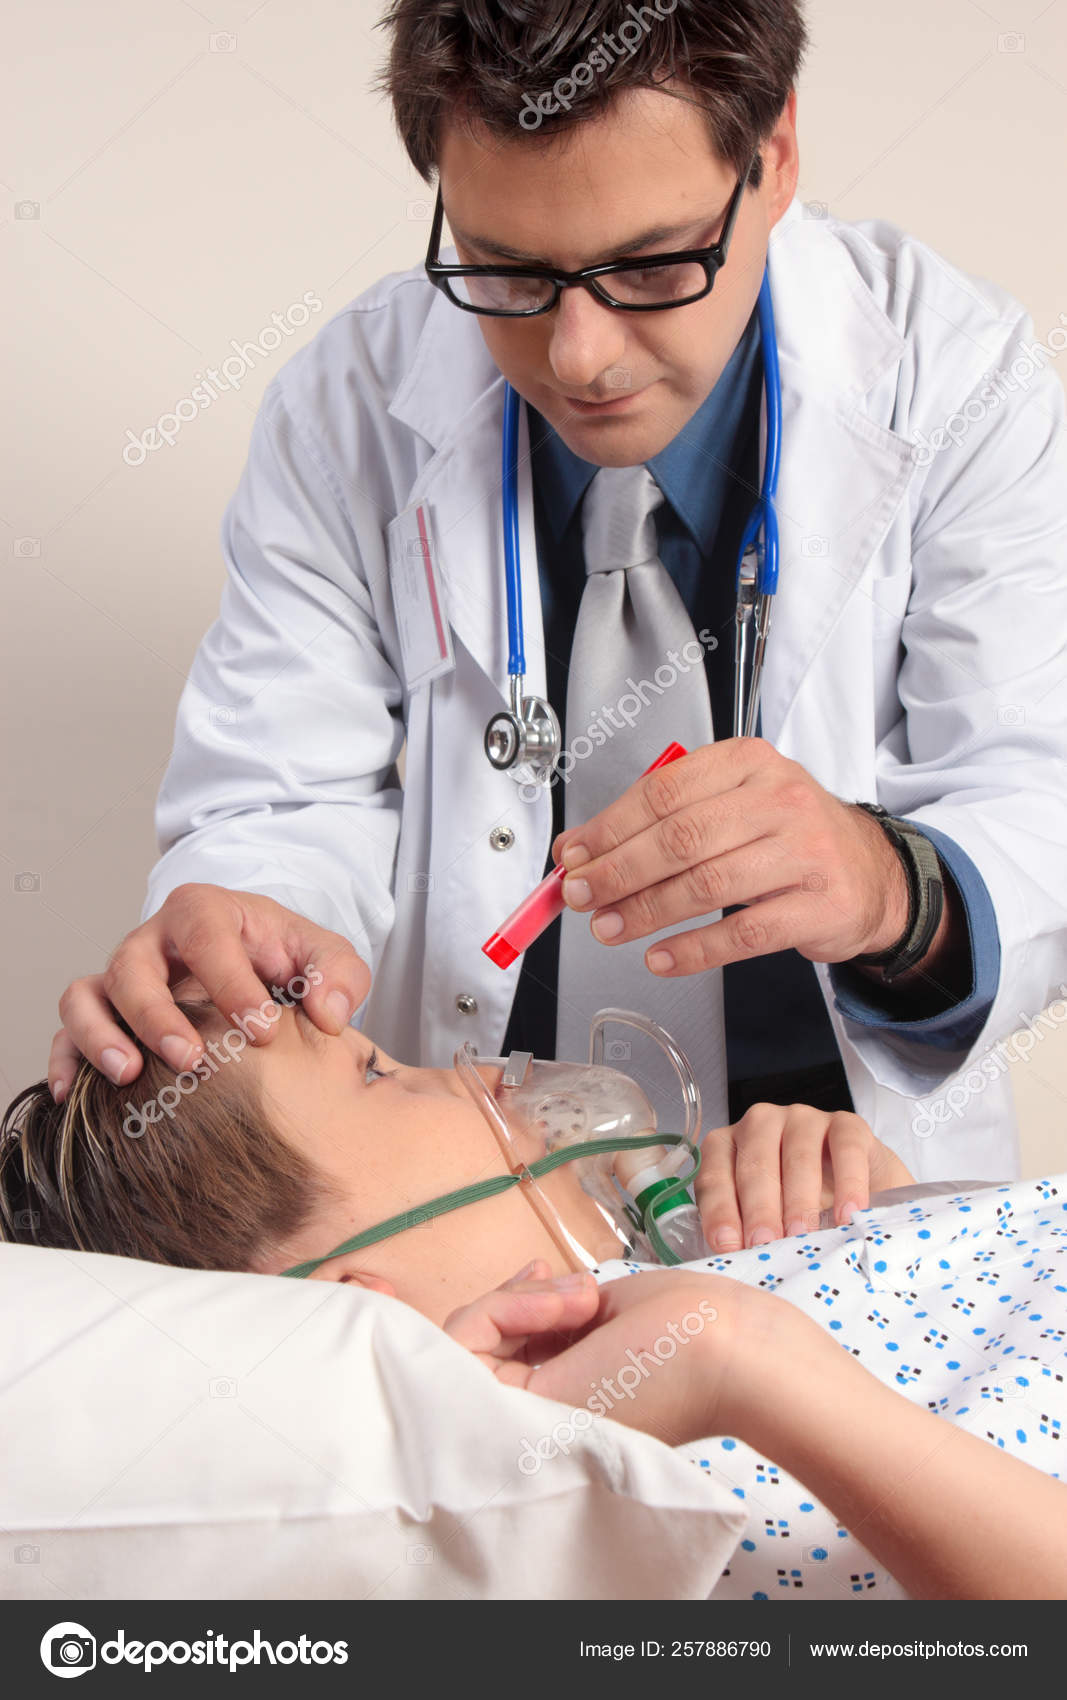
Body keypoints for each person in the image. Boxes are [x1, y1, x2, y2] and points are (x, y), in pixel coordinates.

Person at [46, 1, 1067, 1183]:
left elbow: (1033, 798)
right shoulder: (347, 407)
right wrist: (243, 927)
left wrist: (888, 881)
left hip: (831, 1192)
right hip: (490, 1201)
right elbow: (280, 810)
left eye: (650, 264)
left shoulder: (955, 377)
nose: (578, 356)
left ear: (773, 156)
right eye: (506, 269)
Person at [3, 991, 1065, 1600]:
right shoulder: (611, 1471)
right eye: (384, 1075)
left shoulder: (700, 1269)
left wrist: (895, 1204)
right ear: (352, 1302)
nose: (481, 1070)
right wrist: (740, 1354)